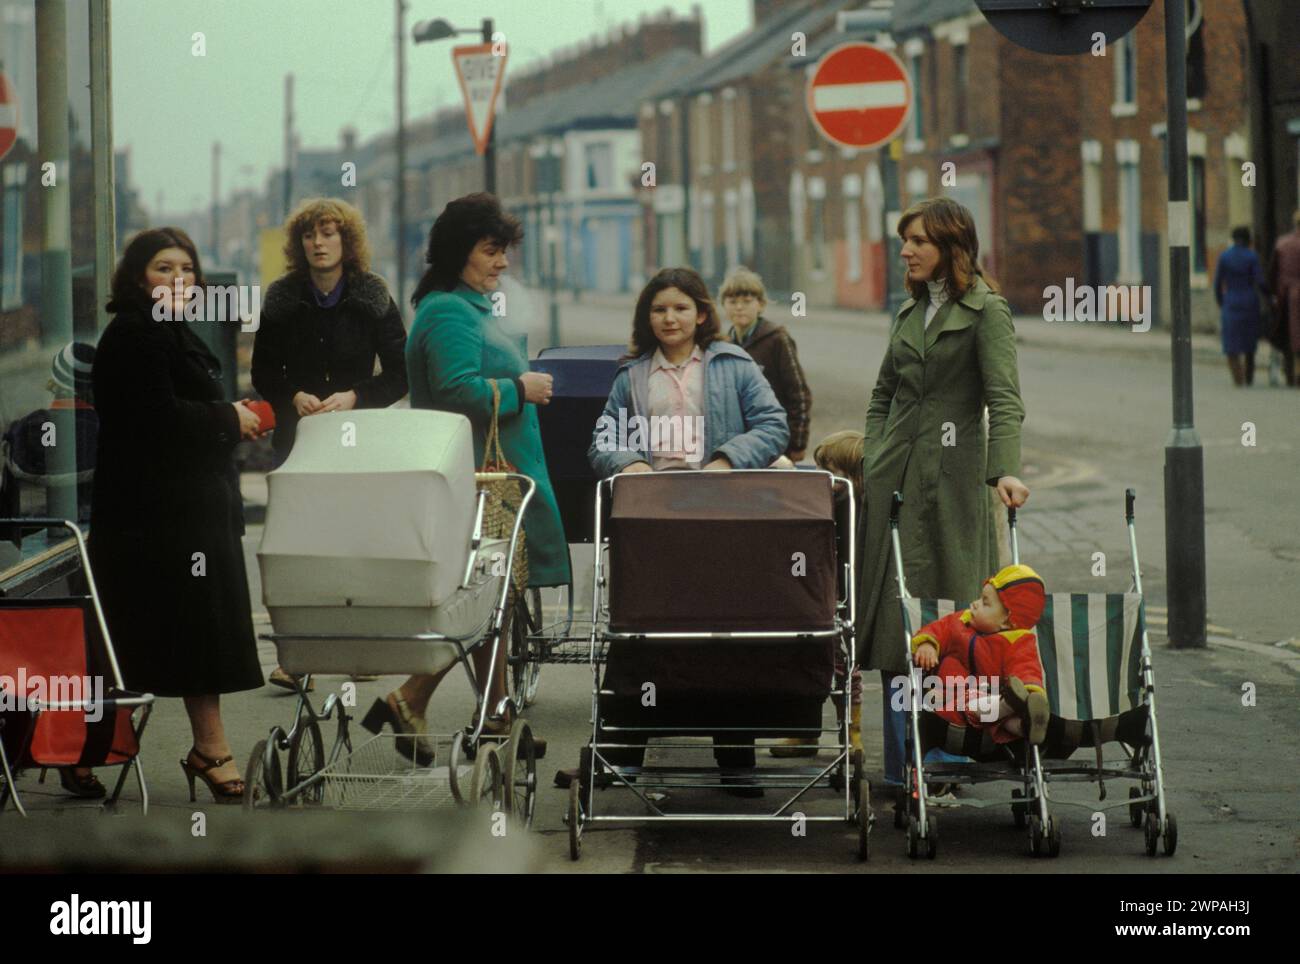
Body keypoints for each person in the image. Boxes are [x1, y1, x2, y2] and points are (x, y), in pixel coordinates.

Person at [364, 192, 567, 763]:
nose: (502, 262)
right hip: (480, 479)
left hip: (490, 475)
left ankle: (492, 714)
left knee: (489, 599)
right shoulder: (450, 312)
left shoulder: (465, 306)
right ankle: (417, 696)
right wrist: (519, 390)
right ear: (460, 253)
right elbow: (454, 391)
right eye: (491, 250)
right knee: (485, 599)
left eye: (504, 252)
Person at [586, 266, 788, 796]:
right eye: (658, 309)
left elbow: (774, 426)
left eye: (679, 308)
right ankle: (625, 757)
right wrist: (628, 463)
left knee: (727, 635)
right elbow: (601, 442)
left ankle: (736, 763)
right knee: (637, 635)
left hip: (722, 515)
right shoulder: (631, 376)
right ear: (646, 318)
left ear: (701, 313)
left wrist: (725, 461)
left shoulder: (733, 365)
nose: (669, 318)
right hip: (652, 519)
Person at [89, 227, 266, 803]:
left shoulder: (169, 331)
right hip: (155, 518)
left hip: (189, 512)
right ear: (138, 277)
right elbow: (155, 421)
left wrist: (229, 418)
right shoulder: (136, 336)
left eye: (186, 270)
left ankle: (186, 749)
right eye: (164, 269)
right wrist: (227, 419)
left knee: (182, 638)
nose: (178, 280)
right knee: (160, 638)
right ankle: (198, 750)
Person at [857, 197, 1029, 791]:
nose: (905, 251)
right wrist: (877, 451)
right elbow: (883, 392)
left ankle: (951, 754)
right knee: (893, 618)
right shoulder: (907, 311)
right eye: (904, 240)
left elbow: (1004, 399)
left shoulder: (988, 312)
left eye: (917, 242)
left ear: (951, 248)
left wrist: (1003, 471)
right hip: (894, 483)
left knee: (956, 621)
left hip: (956, 484)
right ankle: (899, 763)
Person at [252, 197, 409, 691]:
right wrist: (290, 395)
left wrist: (356, 397)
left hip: (353, 435)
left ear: (347, 242)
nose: (319, 243)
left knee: (355, 542)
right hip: (298, 438)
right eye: (310, 235)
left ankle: (359, 650)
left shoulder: (372, 295)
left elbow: (401, 373)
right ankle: (293, 659)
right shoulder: (281, 298)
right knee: (296, 546)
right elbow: (262, 372)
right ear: (299, 244)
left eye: (329, 233)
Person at [770, 429, 864, 759]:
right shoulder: (839, 498)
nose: (825, 477)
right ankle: (806, 732)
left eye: (832, 471)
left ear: (853, 476)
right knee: (808, 663)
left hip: (840, 595)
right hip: (820, 592)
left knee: (842, 667)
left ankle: (850, 733)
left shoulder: (848, 501)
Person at [910, 564, 1049, 745]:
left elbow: (1026, 669)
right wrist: (927, 643)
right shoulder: (961, 623)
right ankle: (1008, 705)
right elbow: (938, 629)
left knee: (1010, 720)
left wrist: (1029, 693)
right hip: (952, 701)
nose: (975, 603)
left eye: (985, 602)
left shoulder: (1017, 642)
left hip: (993, 702)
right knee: (979, 702)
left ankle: (1026, 725)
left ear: (1007, 621)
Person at [719, 267, 813, 462]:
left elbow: (799, 394)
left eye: (746, 301)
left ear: (760, 305)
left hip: (775, 442)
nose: (739, 307)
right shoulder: (723, 344)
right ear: (723, 305)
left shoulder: (777, 339)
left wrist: (798, 443)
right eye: (732, 302)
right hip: (737, 444)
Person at [1, 342, 99, 525]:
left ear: (54, 383)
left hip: (29, 538)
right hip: (85, 534)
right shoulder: (101, 430)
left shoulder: (23, 431)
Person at [1213, 227, 1267, 386]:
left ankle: (1238, 377)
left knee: (1231, 343)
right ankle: (1249, 377)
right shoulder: (1252, 256)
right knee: (1249, 342)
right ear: (1248, 240)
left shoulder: (1224, 256)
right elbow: (1260, 281)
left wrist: (1221, 302)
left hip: (1231, 301)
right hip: (1250, 301)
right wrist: (1269, 296)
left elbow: (1217, 283)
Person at [1267, 209, 1300, 387]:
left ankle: (1291, 374)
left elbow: (1273, 273)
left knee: (1289, 336)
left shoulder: (1283, 244)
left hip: (1288, 296)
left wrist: (1273, 294)